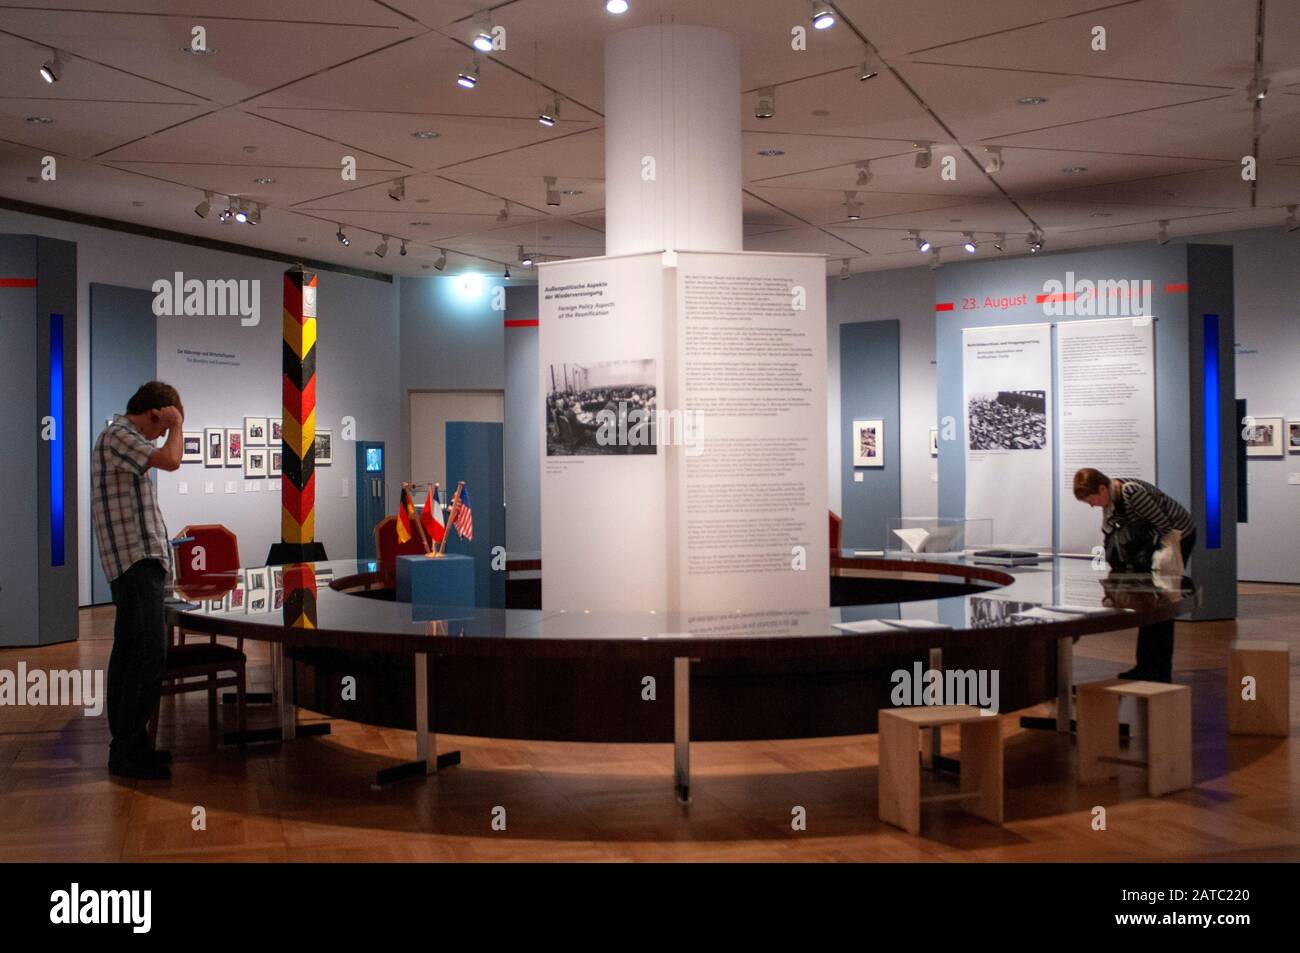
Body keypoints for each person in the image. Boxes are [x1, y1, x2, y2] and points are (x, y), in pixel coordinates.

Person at [92, 381, 185, 780]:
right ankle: (127, 751)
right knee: (146, 654)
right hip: (135, 563)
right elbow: (172, 460)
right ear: (153, 413)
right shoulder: (119, 434)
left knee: (131, 652)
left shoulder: (120, 439)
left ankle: (130, 746)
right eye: (160, 427)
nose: (160, 436)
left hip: (137, 564)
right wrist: (177, 424)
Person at [1073, 467, 1196, 682]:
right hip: (1154, 546)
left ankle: (1160, 670)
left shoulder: (1132, 493)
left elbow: (1164, 527)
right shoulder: (1112, 501)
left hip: (1176, 540)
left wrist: (1139, 548)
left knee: (1163, 606)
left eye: (1091, 499)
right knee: (1147, 605)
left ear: (1102, 489)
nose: (1092, 505)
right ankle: (1145, 666)